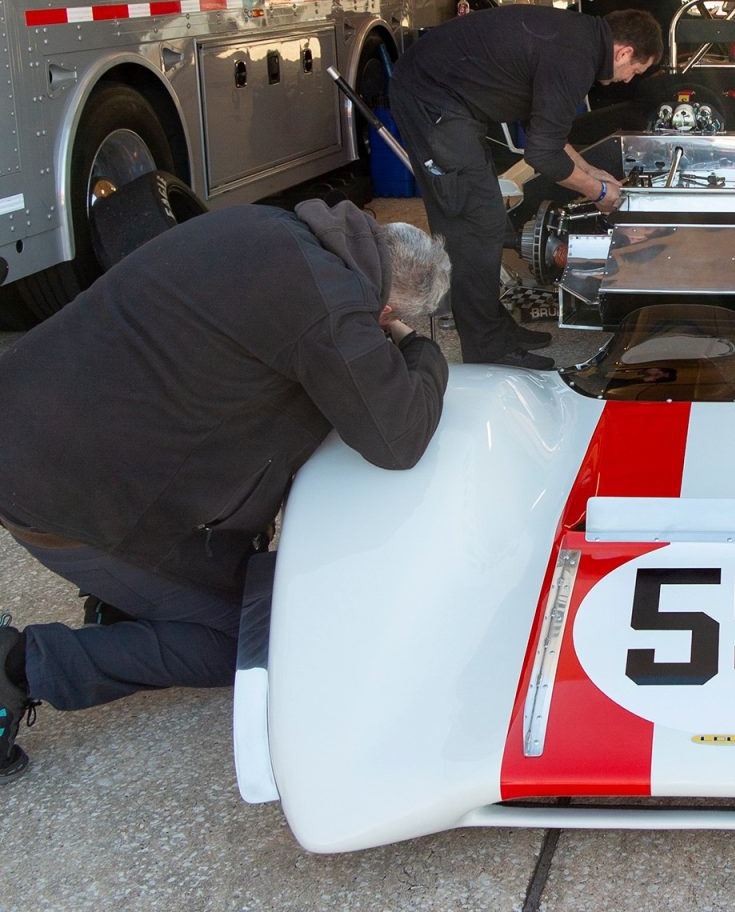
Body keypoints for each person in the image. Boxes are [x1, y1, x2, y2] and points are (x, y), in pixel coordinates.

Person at [0, 200, 452, 782]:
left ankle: (128, 603)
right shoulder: (332, 307)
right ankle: (21, 667)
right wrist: (421, 351)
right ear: (387, 310)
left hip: (40, 433)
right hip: (66, 499)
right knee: (262, 637)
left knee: (250, 591)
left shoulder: (272, 226)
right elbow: (399, 437)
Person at [390, 5, 663, 370]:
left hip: (451, 99)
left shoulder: (579, 40)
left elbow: (545, 131)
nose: (628, 80)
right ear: (624, 52)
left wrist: (591, 170)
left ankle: (496, 328)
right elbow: (543, 155)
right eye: (635, 71)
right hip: (430, 98)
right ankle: (486, 348)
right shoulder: (576, 58)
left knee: (487, 219)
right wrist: (598, 193)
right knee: (473, 223)